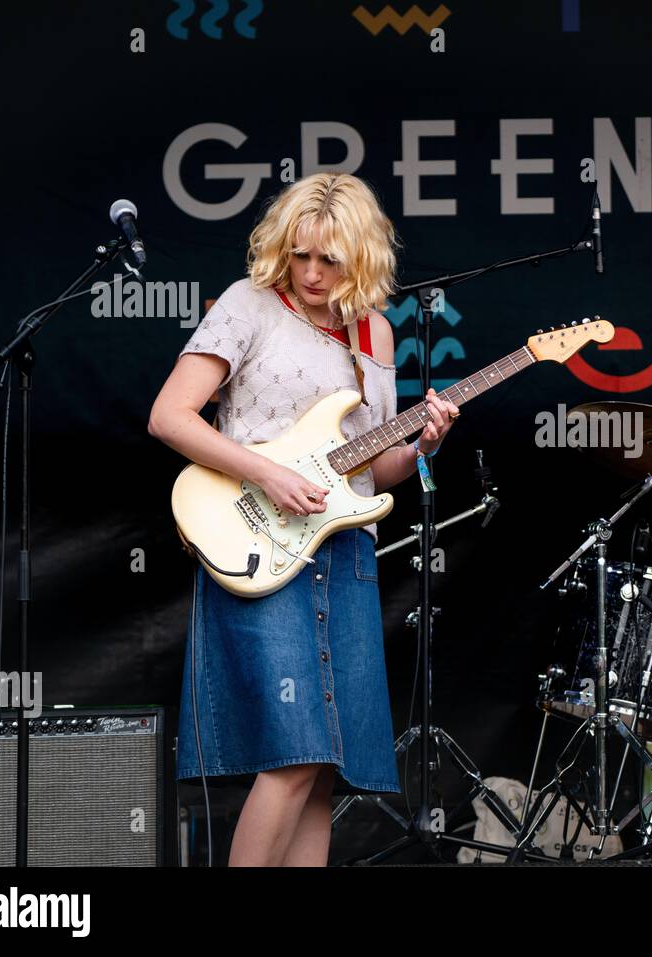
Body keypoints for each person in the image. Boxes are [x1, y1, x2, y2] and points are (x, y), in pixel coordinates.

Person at [148, 172, 459, 866]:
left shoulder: (372, 329)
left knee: (322, 770)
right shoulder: (249, 304)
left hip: (341, 553)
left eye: (330, 260)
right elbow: (168, 415)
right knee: (294, 756)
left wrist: (422, 446)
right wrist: (267, 471)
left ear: (361, 259)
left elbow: (371, 472)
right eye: (300, 255)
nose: (313, 273)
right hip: (260, 544)